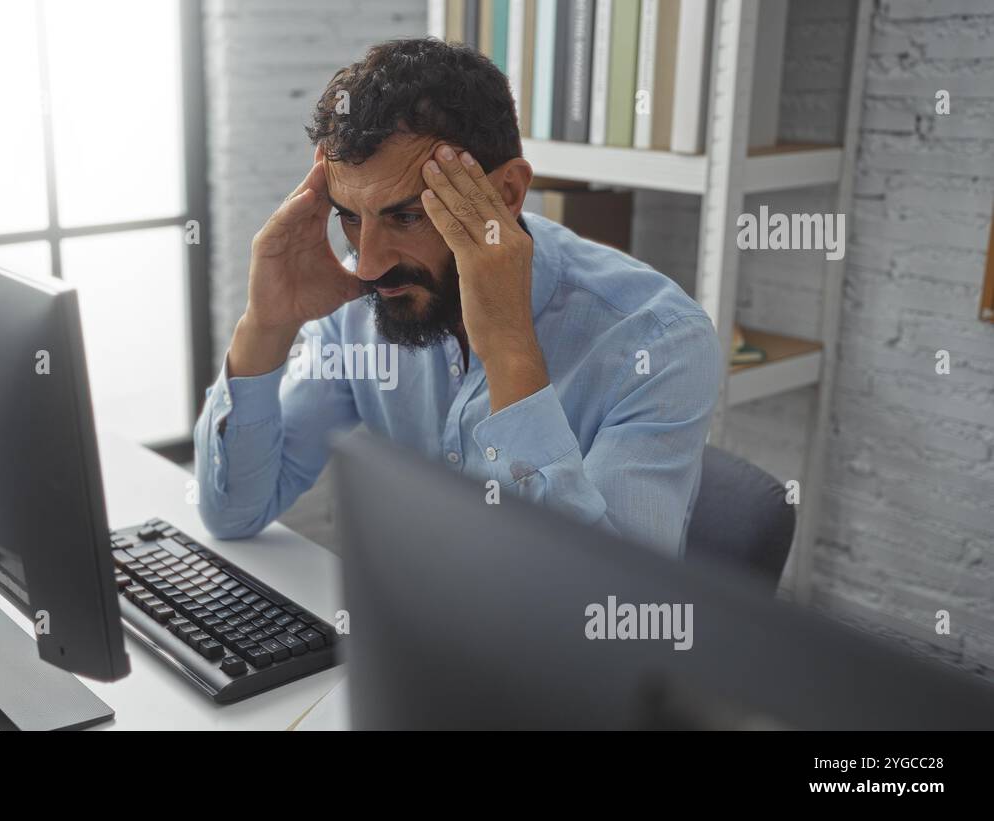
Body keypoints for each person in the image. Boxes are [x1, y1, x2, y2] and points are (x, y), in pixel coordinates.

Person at [194, 38, 722, 556]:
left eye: (407, 216)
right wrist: (264, 327)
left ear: (507, 194)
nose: (371, 262)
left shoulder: (660, 343)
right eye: (350, 217)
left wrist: (511, 352)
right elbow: (235, 512)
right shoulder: (356, 300)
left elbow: (603, 620)